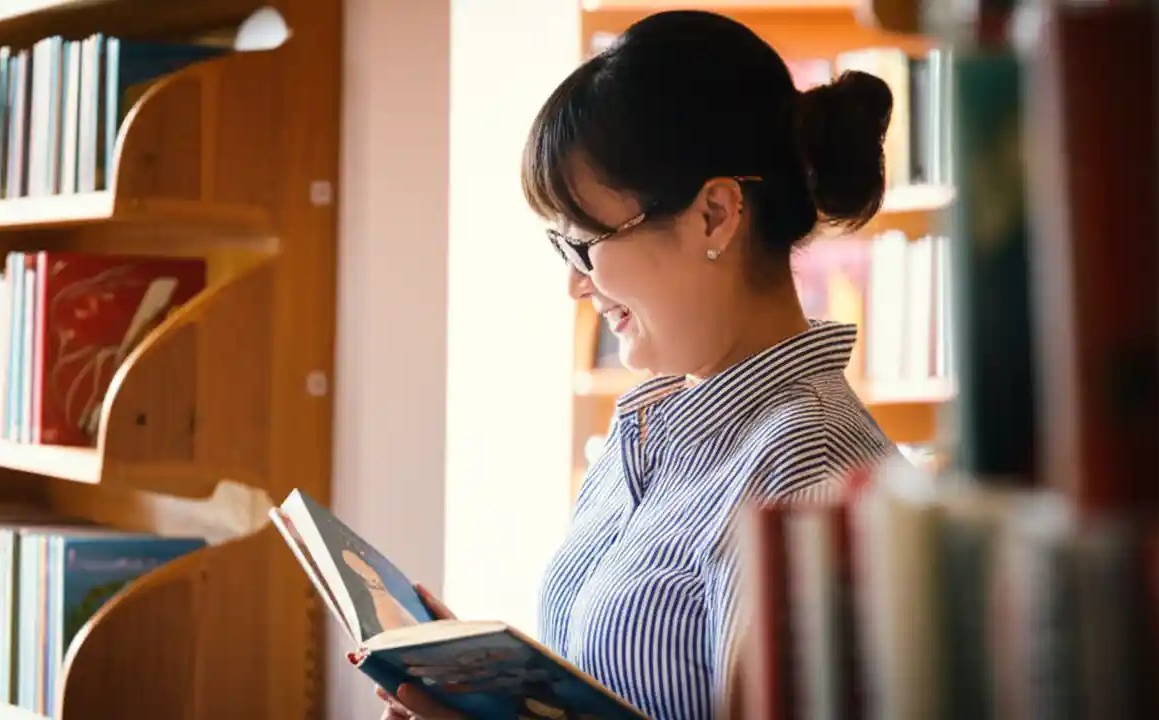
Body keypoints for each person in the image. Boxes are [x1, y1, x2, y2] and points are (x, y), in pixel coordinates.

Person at [379, 9, 900, 719]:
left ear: (716, 214)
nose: (574, 282)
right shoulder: (647, 431)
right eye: (559, 248)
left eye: (585, 243)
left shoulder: (809, 469)